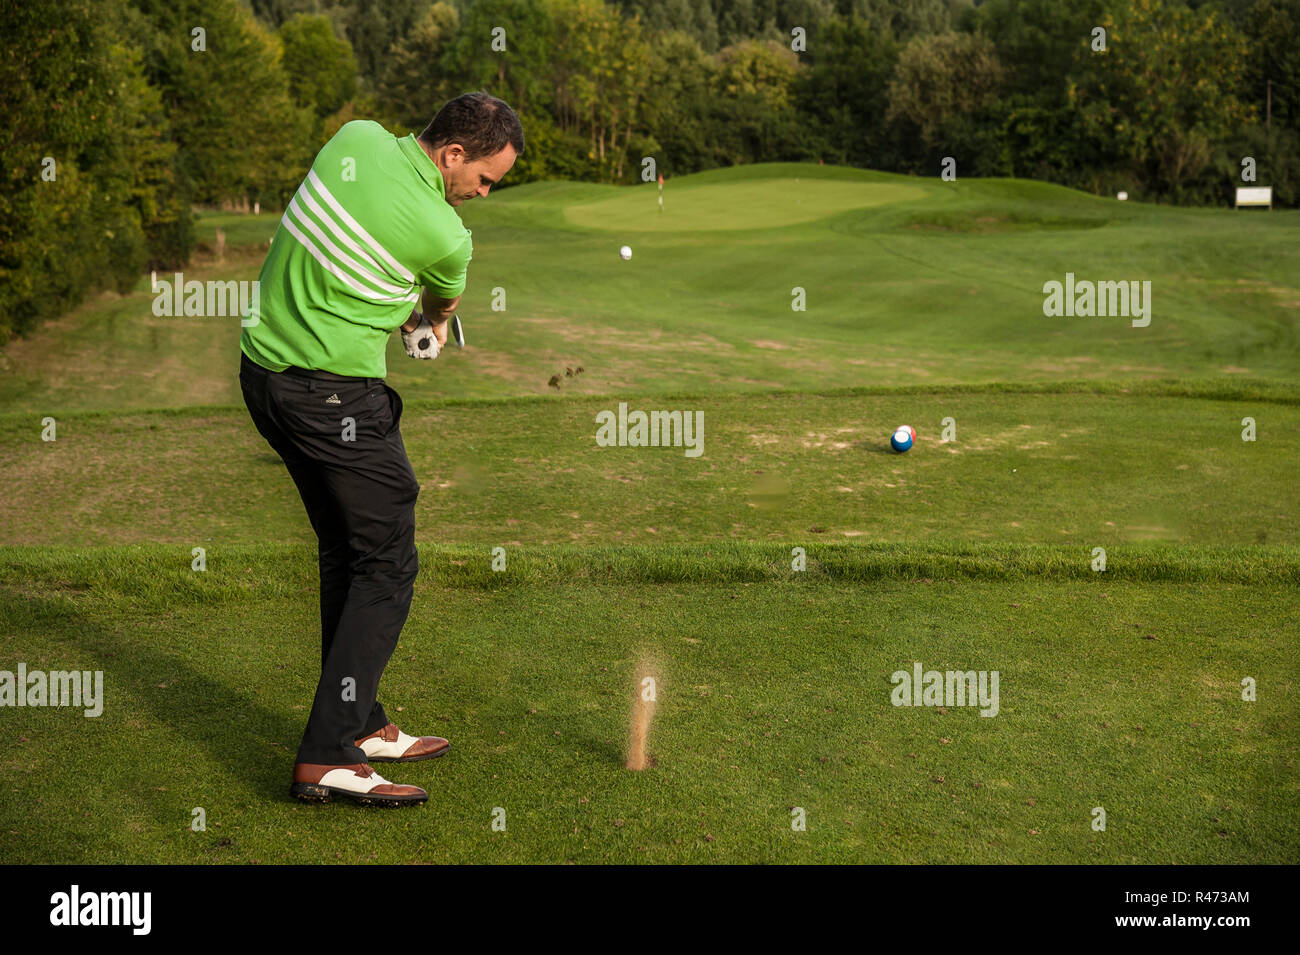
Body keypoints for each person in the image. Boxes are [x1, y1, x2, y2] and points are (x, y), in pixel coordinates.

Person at [238, 92, 523, 806]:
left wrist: (395, 304)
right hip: (333, 400)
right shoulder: (447, 236)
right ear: (453, 155)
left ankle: (361, 720)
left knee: (346, 547)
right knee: (389, 558)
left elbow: (349, 250)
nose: (480, 194)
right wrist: (424, 322)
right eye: (483, 179)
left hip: (262, 377)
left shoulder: (354, 137)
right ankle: (328, 753)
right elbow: (440, 306)